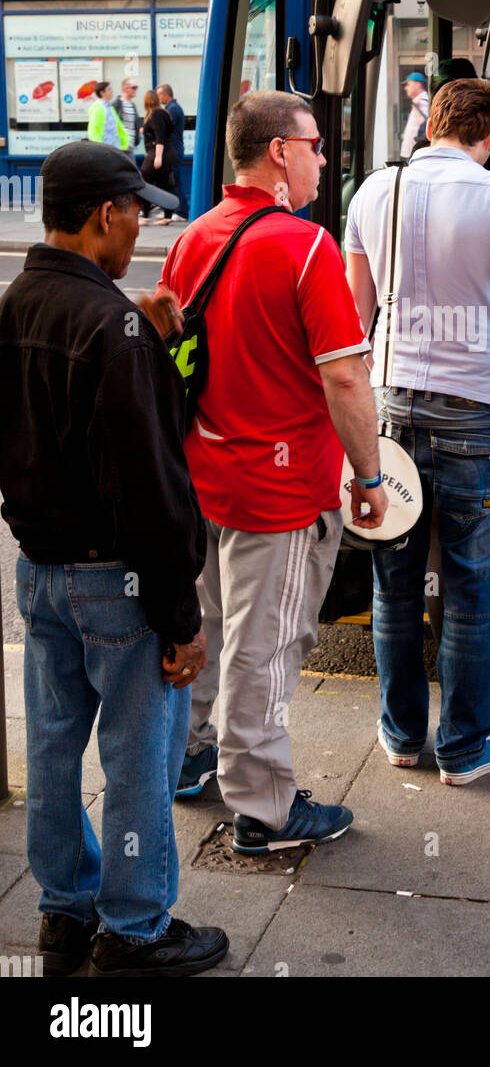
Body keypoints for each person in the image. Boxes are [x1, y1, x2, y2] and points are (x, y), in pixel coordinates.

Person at [0, 141, 228, 978]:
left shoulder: (17, 302)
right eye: (137, 212)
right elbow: (151, 484)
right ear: (105, 217)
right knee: (140, 757)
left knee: (55, 746)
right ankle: (134, 929)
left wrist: (147, 338)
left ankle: (64, 909)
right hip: (118, 582)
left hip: (40, 570)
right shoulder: (115, 327)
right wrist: (181, 620)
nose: (142, 227)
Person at [157, 90, 387, 854]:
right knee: (265, 648)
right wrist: (371, 474)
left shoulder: (197, 237)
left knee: (209, 630)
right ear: (280, 153)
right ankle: (266, 811)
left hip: (203, 478)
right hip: (280, 495)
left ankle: (187, 760)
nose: (323, 158)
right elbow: (346, 378)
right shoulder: (306, 246)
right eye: (316, 144)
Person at [345, 78, 490, 785]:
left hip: (389, 409)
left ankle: (401, 735)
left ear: (433, 123)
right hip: (474, 412)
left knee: (395, 579)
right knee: (473, 586)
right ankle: (464, 747)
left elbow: (355, 322)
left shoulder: (373, 191)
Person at [139, 89, 178, 225]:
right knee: (164, 184)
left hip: (161, 154)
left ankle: (145, 215)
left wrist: (157, 157)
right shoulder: (161, 113)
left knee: (144, 181)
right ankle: (167, 217)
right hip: (163, 153)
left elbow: (160, 136)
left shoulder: (156, 114)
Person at [157, 83, 189, 219]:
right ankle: (174, 209)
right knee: (171, 180)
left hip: (173, 149)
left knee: (175, 180)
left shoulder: (173, 109)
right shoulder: (172, 108)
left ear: (165, 95)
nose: (158, 98)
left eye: (159, 95)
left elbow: (166, 131)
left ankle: (181, 211)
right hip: (174, 149)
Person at [86, 81, 129, 151]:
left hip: (115, 149)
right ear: (102, 93)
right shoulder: (98, 108)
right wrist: (99, 148)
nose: (112, 91)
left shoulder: (110, 107)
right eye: (109, 89)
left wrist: (124, 144)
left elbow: (118, 127)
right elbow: (93, 130)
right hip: (104, 151)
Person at [400, 72, 429, 158]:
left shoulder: (422, 100)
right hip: (413, 152)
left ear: (417, 84)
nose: (405, 88)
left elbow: (425, 122)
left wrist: (415, 107)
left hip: (415, 153)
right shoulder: (418, 100)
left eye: (408, 84)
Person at [111, 77, 141, 159]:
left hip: (130, 145)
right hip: (121, 146)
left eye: (136, 88)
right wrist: (121, 143)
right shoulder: (117, 104)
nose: (135, 90)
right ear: (125, 88)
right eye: (133, 87)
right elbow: (112, 125)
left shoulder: (132, 105)